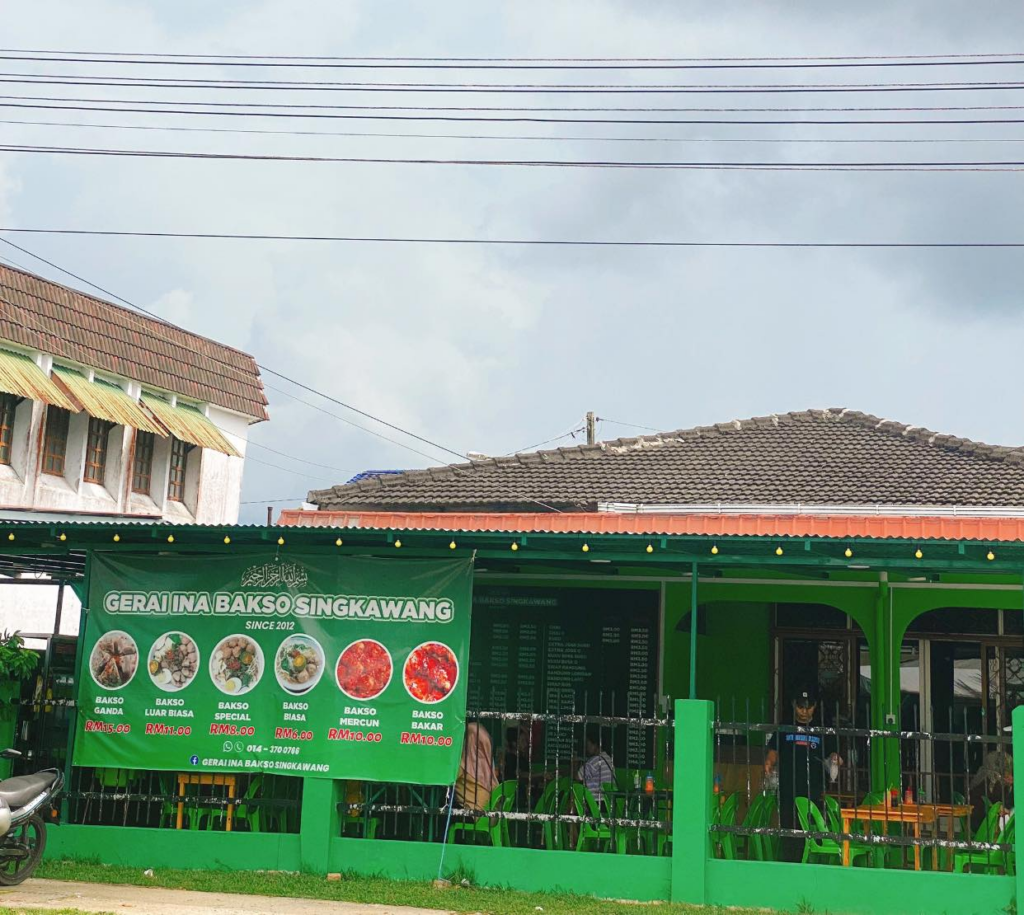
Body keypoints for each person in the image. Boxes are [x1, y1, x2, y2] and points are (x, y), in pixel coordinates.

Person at [764, 688, 842, 861]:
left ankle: (811, 862)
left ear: (814, 707)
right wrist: (769, 761)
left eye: (808, 707)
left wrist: (835, 759)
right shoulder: (785, 727)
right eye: (800, 707)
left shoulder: (822, 730)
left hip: (813, 788)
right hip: (787, 788)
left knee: (812, 827)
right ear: (794, 705)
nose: (804, 711)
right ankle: (789, 863)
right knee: (788, 828)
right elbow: (773, 750)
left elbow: (832, 755)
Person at [455, 722, 498, 812]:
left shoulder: (464, 763)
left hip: (472, 813)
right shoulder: (488, 766)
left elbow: (449, 780)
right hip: (489, 815)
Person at [576, 727, 615, 807]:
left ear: (595, 744)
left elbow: (577, 777)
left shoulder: (596, 760)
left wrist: (573, 763)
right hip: (608, 803)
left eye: (588, 744)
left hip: (596, 804)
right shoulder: (607, 758)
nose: (586, 748)